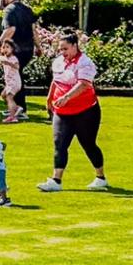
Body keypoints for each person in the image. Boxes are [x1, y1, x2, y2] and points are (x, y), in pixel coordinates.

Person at [37, 28, 107, 192]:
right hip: (62, 112)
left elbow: (83, 84)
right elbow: (56, 81)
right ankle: (56, 180)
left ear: (75, 46)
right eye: (60, 49)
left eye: (65, 49)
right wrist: (50, 98)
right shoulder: (58, 62)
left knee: (88, 144)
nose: (63, 52)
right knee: (59, 144)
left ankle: (100, 177)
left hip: (86, 111)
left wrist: (66, 97)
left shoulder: (85, 63)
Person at [0, 0, 36, 123]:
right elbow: (33, 30)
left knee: (14, 79)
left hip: (16, 49)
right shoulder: (27, 9)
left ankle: (18, 109)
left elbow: (10, 30)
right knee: (18, 77)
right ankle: (16, 107)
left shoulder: (9, 10)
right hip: (28, 49)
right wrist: (38, 46)